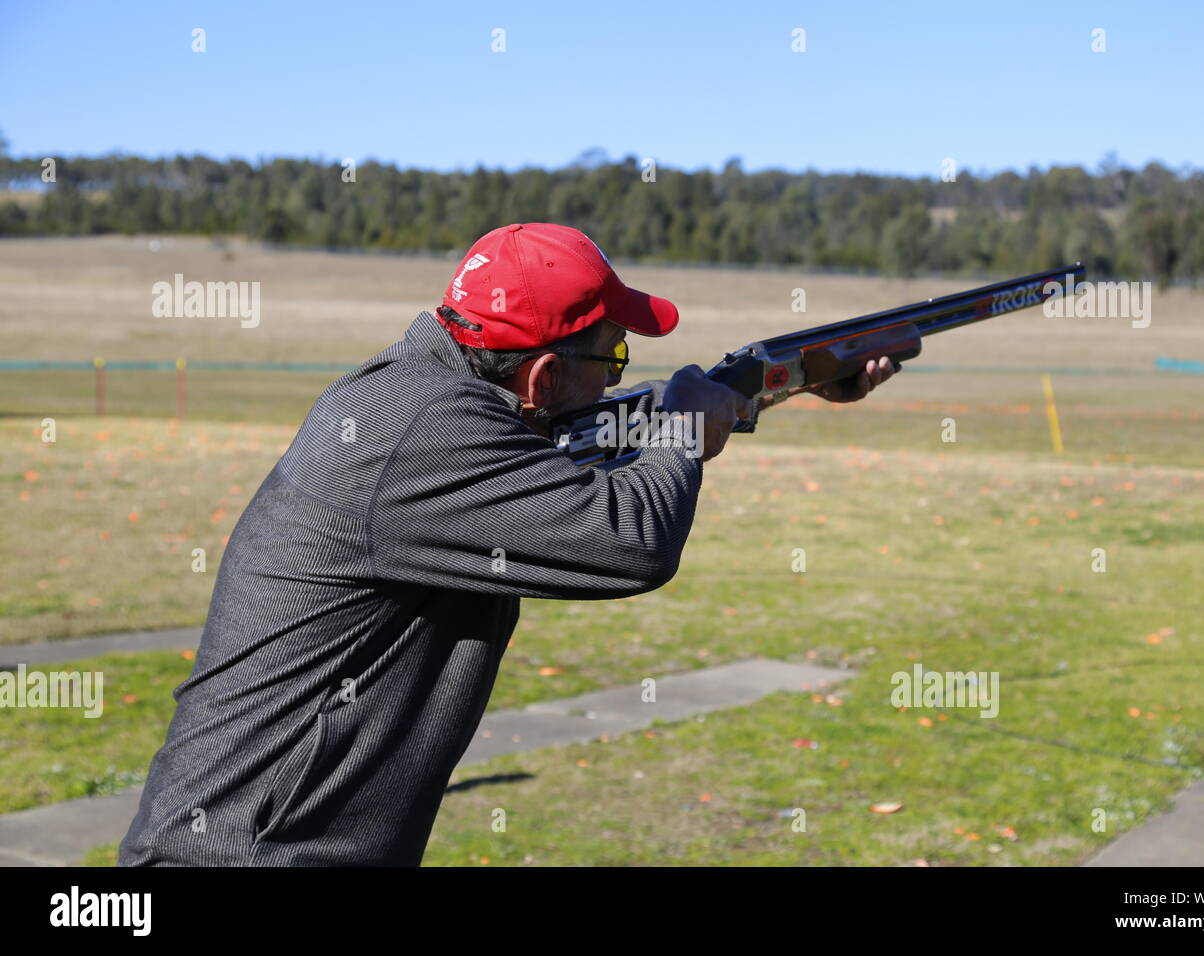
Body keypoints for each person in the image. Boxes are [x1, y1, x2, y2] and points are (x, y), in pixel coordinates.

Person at [117, 222, 894, 866]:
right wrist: (687, 425)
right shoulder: (430, 431)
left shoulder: (431, 396)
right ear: (543, 377)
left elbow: (599, 431)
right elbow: (632, 540)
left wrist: (783, 384)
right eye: (612, 354)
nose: (620, 371)